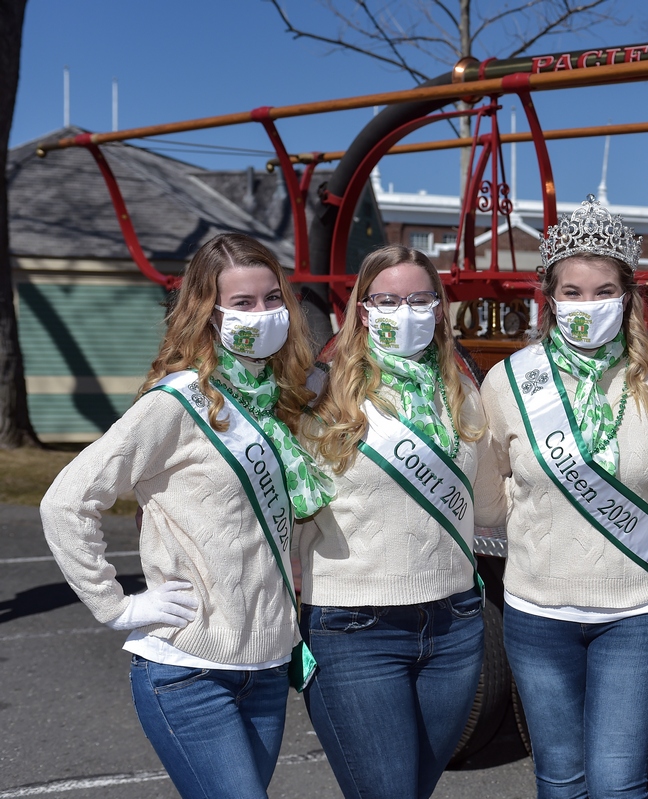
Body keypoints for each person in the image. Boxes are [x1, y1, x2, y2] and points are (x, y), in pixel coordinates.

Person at [40, 233, 331, 799]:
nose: (263, 313)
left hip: (268, 665)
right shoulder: (176, 404)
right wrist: (117, 605)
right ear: (208, 313)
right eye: (243, 303)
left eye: (272, 297)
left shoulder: (278, 402)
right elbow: (66, 501)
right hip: (189, 668)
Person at [476, 195, 648, 799]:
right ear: (549, 298)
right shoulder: (510, 381)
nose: (586, 304)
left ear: (628, 297)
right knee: (559, 778)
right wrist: (543, 518)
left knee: (618, 782)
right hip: (537, 610)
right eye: (571, 291)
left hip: (637, 611)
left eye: (603, 291)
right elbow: (491, 482)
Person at [299, 244, 489, 799]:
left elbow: (489, 501)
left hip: (455, 623)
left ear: (439, 308)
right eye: (387, 301)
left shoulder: (463, 391)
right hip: (355, 628)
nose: (404, 313)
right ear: (362, 310)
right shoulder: (320, 393)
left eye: (420, 300)